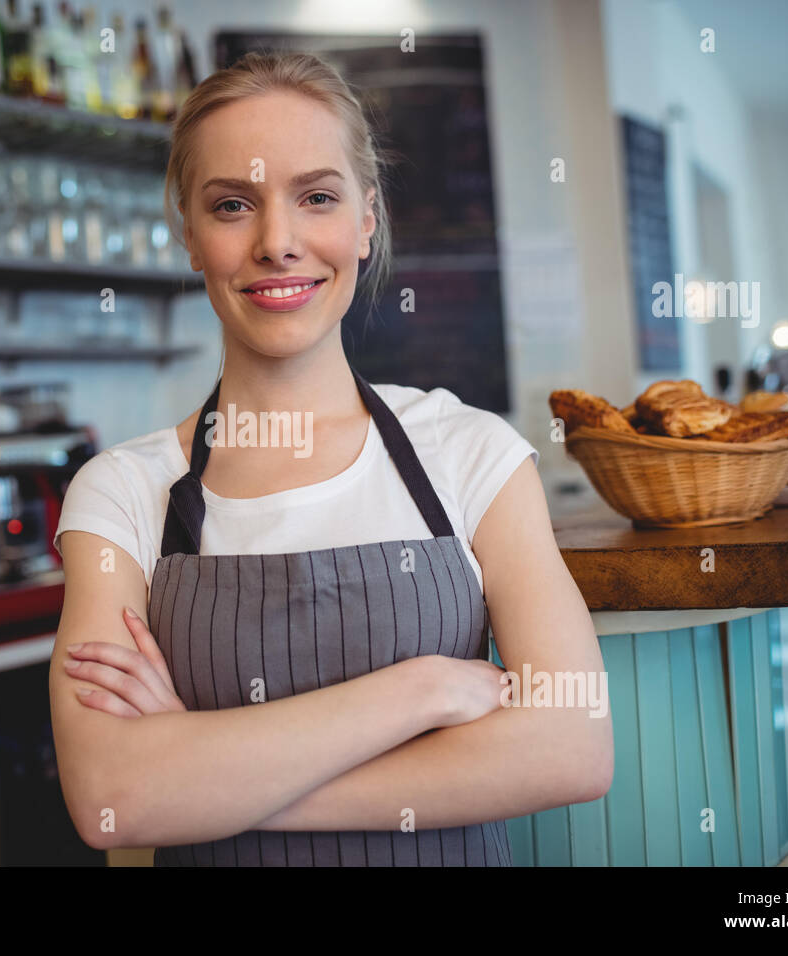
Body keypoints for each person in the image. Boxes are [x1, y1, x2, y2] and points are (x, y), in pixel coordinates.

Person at [49, 51, 612, 867]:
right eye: (233, 205)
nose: (278, 243)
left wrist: (205, 783)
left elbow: (573, 746)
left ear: (366, 220)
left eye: (316, 197)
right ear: (190, 236)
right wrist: (422, 690)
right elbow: (111, 800)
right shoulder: (122, 494)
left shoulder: (471, 454)